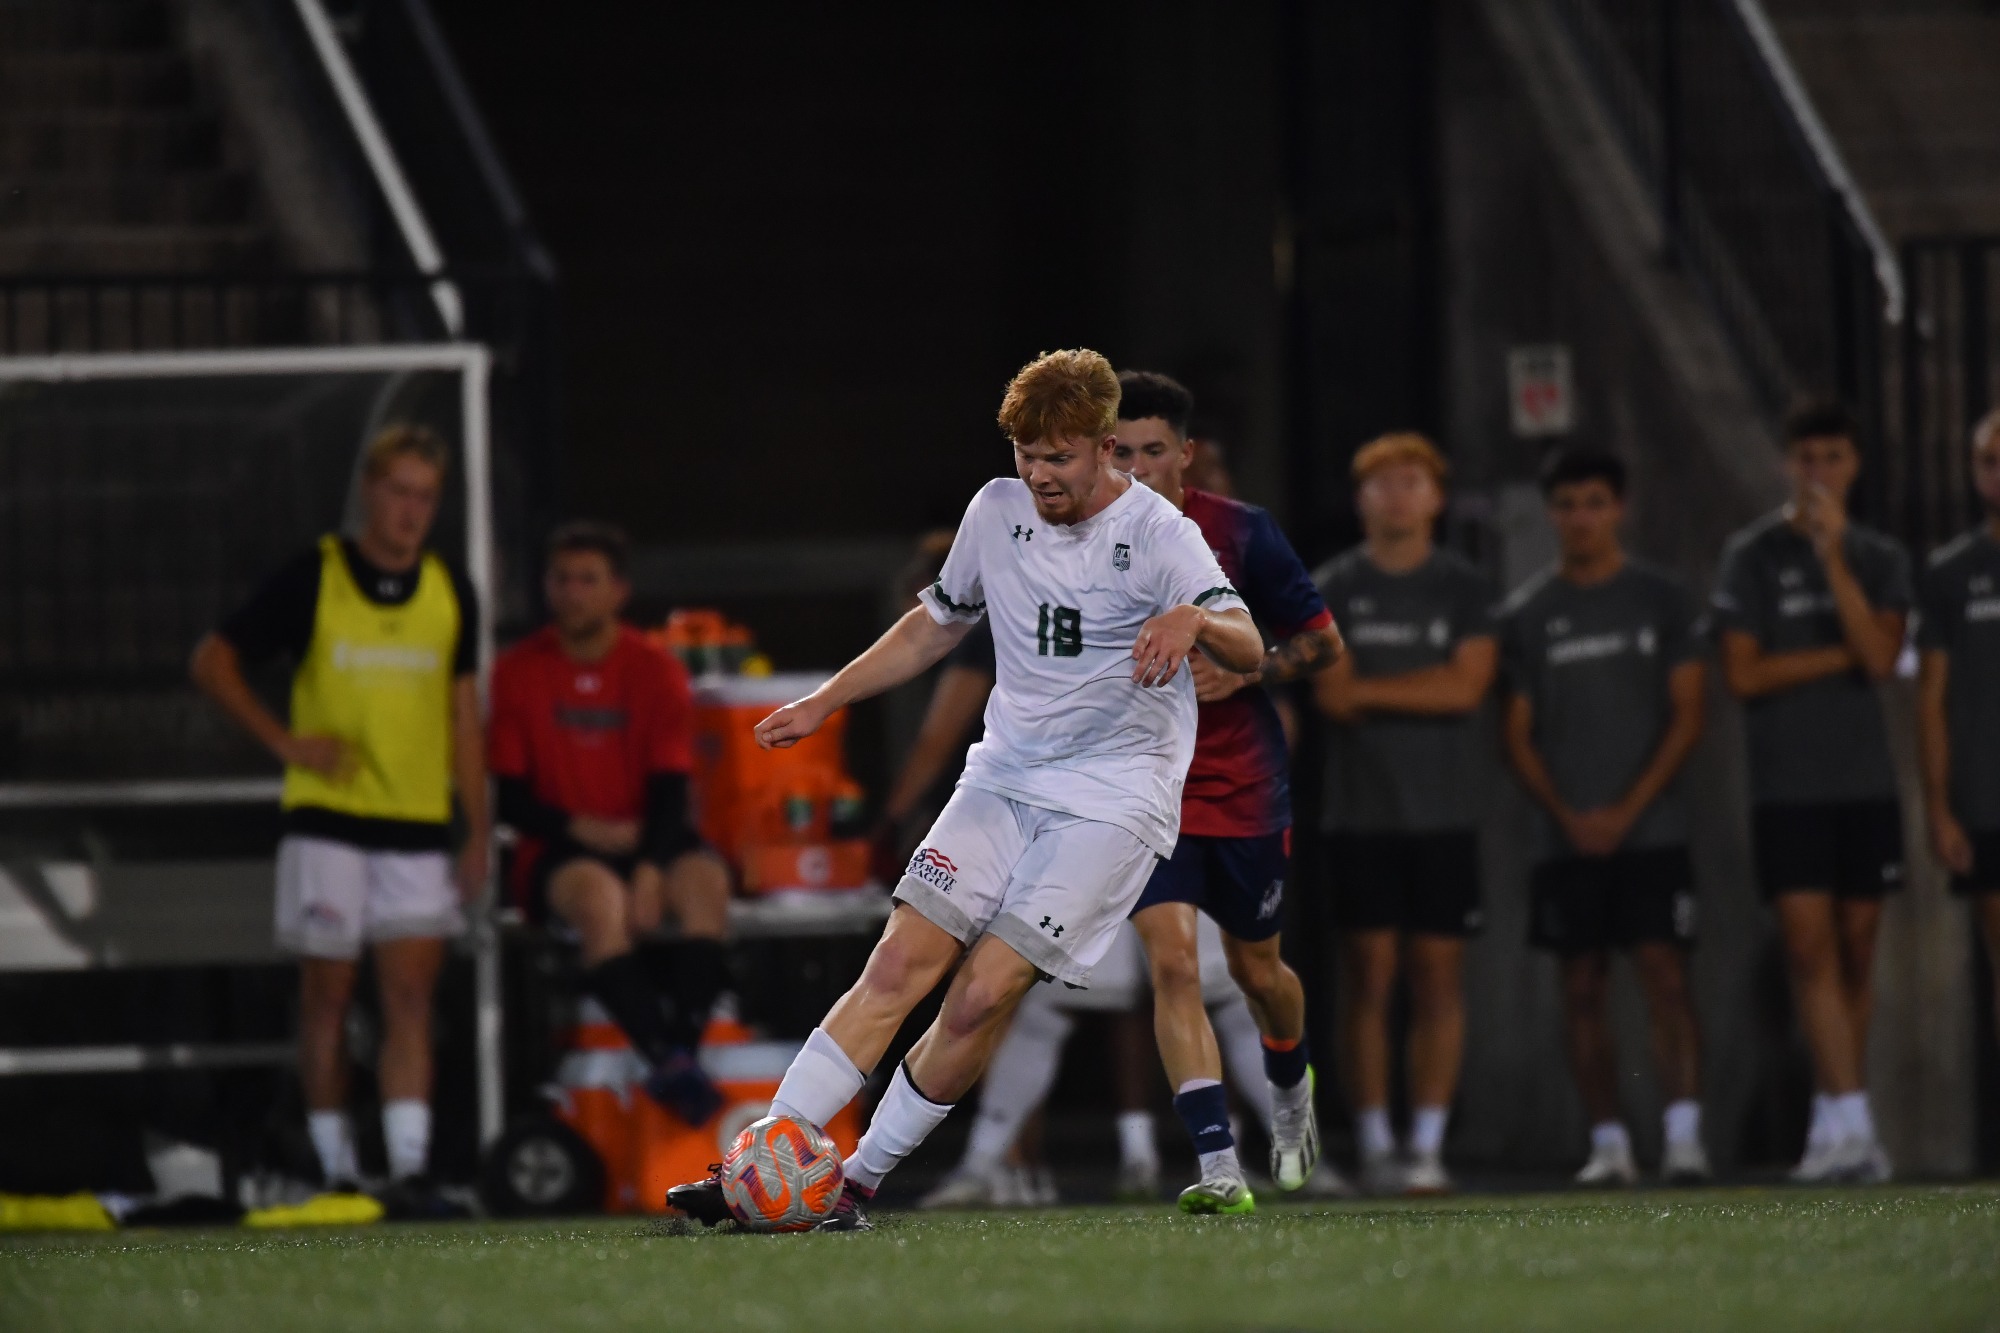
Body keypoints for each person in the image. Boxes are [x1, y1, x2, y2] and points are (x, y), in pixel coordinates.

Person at [666, 348, 1264, 1231]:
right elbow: (935, 625)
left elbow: (1249, 646)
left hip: (1113, 800)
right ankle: (765, 1155)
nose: (1039, 474)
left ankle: (853, 1184)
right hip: (1006, 775)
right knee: (898, 962)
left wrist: (1196, 618)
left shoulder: (1160, 533)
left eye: (1058, 456)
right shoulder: (996, 510)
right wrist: (827, 700)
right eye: (1027, 454)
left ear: (1106, 449)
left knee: (983, 994)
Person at [189, 424, 488, 1218]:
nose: (411, 510)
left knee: (413, 996)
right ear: (369, 490)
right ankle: (335, 1169)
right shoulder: (314, 576)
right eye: (399, 491)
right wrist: (283, 739)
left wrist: (478, 826)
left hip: (417, 822)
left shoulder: (449, 586)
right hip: (329, 817)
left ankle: (411, 1168)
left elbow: (463, 716)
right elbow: (213, 658)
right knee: (327, 992)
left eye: (426, 496)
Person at [1111, 370, 1346, 1211]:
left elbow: (1323, 644)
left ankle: (1290, 1080)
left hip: (1242, 785)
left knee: (1259, 970)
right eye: (1119, 451)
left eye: (1151, 451)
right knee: (1172, 965)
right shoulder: (1077, 536)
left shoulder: (1241, 534)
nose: (1135, 468)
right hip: (1145, 791)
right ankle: (1217, 1166)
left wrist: (1253, 673)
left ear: (1186, 454)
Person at [1499, 448, 1711, 1187]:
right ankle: (1610, 1141)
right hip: (1564, 834)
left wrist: (1625, 809)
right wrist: (1570, 813)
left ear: (1617, 507)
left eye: (1594, 502)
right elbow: (1516, 732)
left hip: (1651, 829)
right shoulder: (1528, 614)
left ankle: (1684, 1139)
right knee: (1581, 985)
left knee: (1666, 975)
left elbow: (1688, 715)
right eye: (1567, 504)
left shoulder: (1663, 598)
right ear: (1551, 513)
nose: (1581, 517)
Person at [1712, 400, 1909, 1184]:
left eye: (1833, 455)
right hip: (1787, 785)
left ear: (1853, 464)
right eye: (1807, 456)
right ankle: (1855, 1118)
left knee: (1858, 951)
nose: (1819, 470)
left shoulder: (1878, 556)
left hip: (1863, 781)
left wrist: (1833, 564)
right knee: (1806, 947)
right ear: (1788, 463)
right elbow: (1745, 671)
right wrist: (1837, 656)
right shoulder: (1750, 555)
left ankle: (1838, 1120)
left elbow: (1881, 655)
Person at [487, 522, 733, 1124]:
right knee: (601, 901)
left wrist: (649, 867)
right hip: (562, 845)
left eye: (587, 580)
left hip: (647, 835)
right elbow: (510, 797)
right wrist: (583, 830)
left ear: (618, 591)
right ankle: (667, 1059)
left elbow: (672, 786)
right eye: (562, 580)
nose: (573, 593)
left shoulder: (654, 670)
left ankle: (678, 1052)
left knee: (704, 884)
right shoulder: (518, 672)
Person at [1311, 432, 1496, 1195]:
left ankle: (1428, 1143)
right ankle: (1377, 1140)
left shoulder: (1465, 587)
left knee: (1437, 977)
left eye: (1410, 481)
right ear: (1361, 500)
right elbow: (1330, 693)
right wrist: (1428, 681)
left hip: (1444, 811)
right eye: (1380, 483)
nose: (1395, 495)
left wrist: (1377, 690)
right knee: (1368, 978)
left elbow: (1467, 689)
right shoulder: (1334, 585)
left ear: (1435, 498)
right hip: (1361, 813)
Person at [1916, 409, 2000, 1045]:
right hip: (1987, 795)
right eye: (1990, 462)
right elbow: (1931, 696)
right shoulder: (1950, 573)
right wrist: (1940, 808)